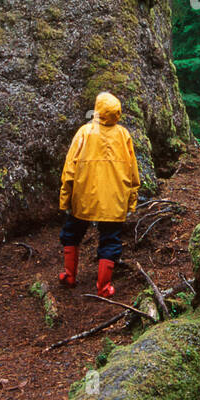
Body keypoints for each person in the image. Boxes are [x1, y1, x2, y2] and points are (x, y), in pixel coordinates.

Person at [58, 91, 141, 298]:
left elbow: (69, 169)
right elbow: (133, 173)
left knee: (71, 233)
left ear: (97, 109)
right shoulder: (124, 135)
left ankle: (69, 276)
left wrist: (65, 199)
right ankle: (104, 288)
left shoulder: (85, 133)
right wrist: (131, 202)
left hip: (83, 198)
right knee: (110, 240)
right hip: (114, 201)